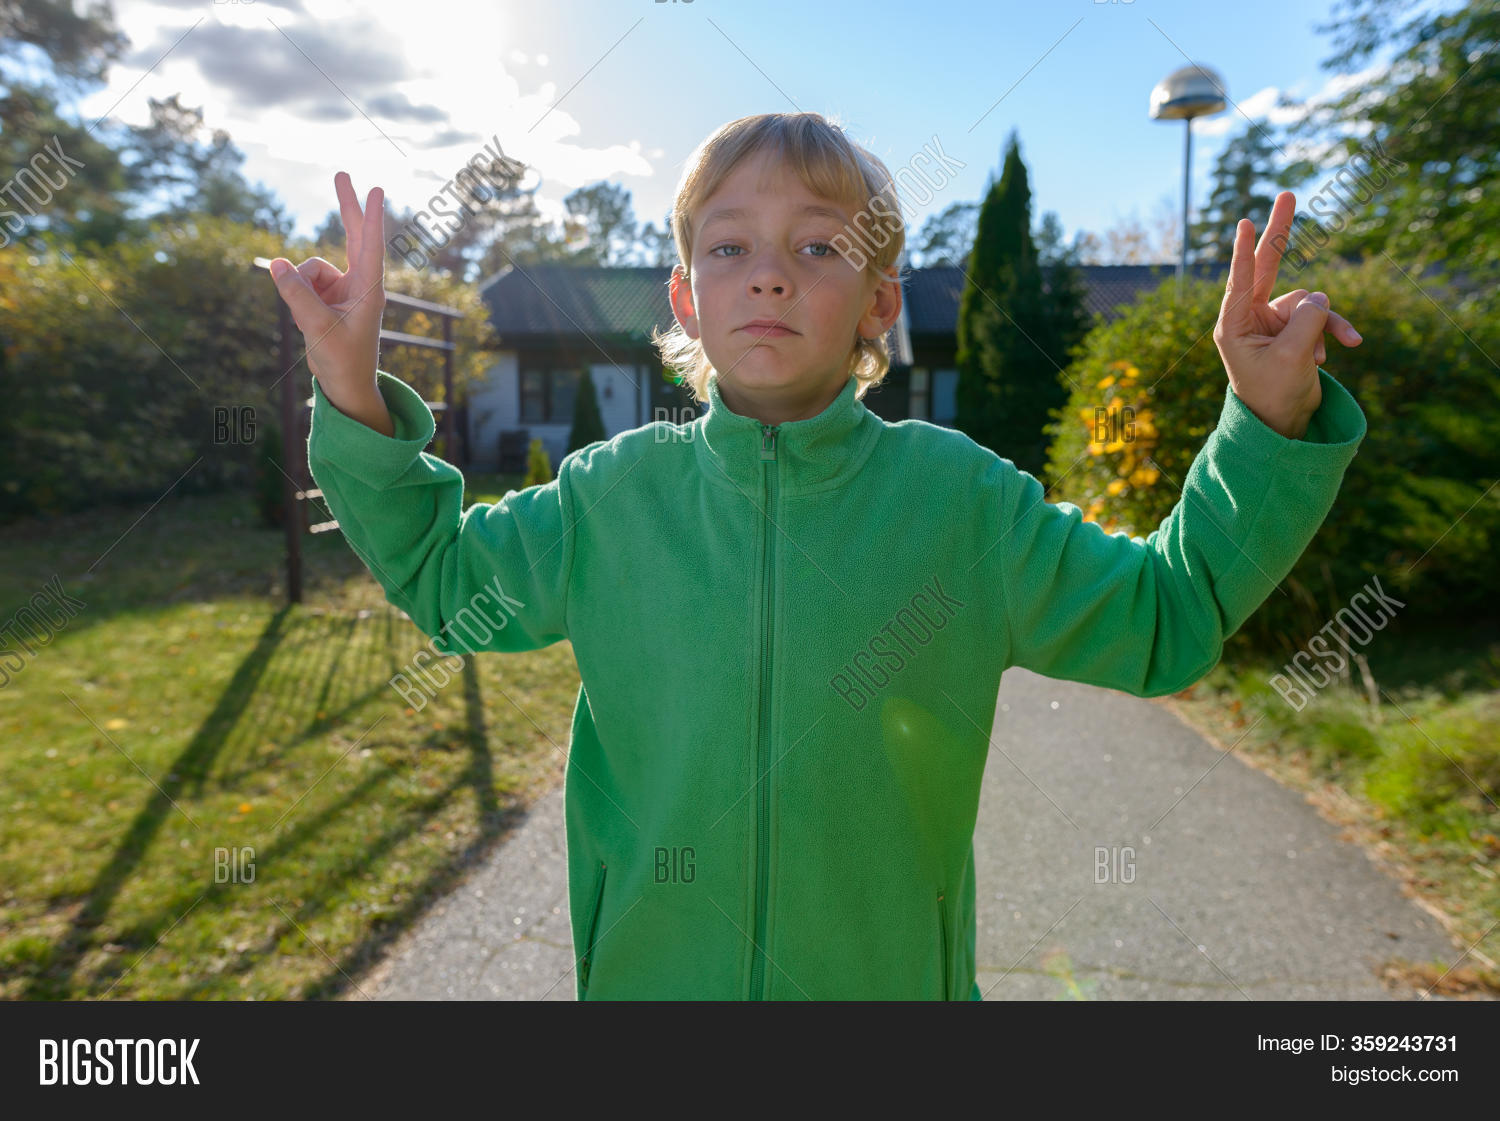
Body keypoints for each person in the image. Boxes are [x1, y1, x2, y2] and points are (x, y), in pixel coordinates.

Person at [266, 112, 1367, 1000]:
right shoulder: (612, 498)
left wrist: (1263, 427)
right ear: (688, 299)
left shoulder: (963, 501)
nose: (771, 275)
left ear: (878, 303)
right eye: (731, 245)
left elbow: (1163, 616)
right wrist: (355, 389)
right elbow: (449, 581)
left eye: (818, 246)